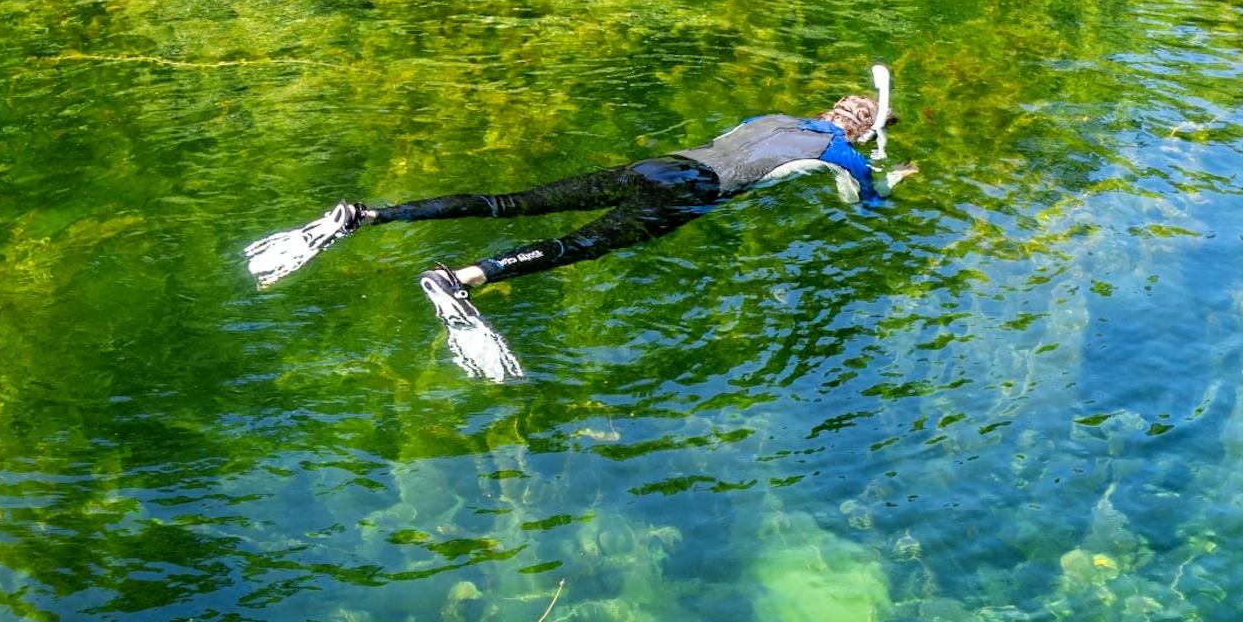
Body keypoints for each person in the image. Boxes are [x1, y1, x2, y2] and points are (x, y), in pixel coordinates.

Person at [246, 80, 915, 382]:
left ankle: (367, 216)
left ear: (830, 106)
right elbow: (864, 206)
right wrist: (893, 175)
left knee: (511, 200)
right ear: (866, 130)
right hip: (695, 192)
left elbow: (731, 144)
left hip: (667, 163)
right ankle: (463, 280)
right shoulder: (845, 154)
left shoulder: (771, 116)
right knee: (579, 247)